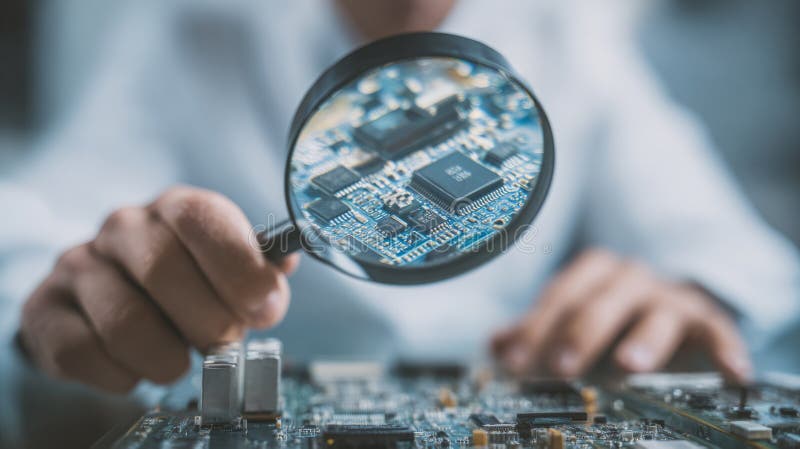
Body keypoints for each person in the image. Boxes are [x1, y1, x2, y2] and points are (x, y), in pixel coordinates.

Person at [1, 0, 799, 445]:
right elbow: (35, 228)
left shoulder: (566, 32)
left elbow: (721, 240)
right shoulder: (190, 28)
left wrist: (688, 292)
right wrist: (55, 303)